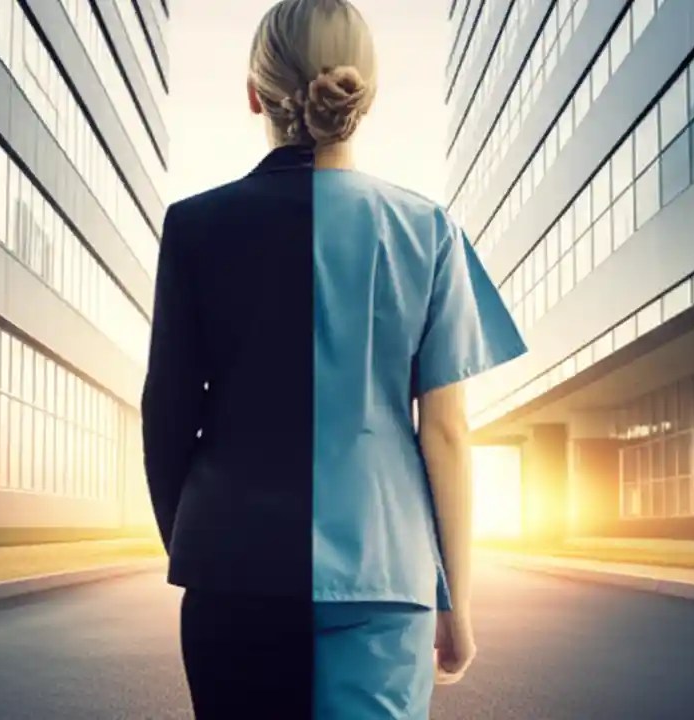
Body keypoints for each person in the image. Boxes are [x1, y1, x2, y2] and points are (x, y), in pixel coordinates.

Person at [140, 0, 526, 717]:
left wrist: (201, 545)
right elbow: (445, 434)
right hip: (385, 579)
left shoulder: (194, 227)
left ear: (254, 93)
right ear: (366, 97)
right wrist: (458, 603)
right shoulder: (428, 232)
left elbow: (165, 417)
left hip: (233, 573)